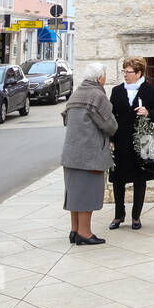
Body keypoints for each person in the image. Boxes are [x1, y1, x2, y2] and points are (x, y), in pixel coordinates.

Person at [62, 62, 118, 245]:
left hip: (71, 153)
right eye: (105, 74)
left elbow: (66, 119)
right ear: (100, 77)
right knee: (87, 194)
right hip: (90, 154)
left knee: (75, 194)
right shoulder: (97, 95)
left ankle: (74, 230)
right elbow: (110, 125)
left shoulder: (76, 93)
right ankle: (85, 233)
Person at [108, 57, 154, 230]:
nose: (125, 74)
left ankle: (136, 217)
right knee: (118, 179)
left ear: (138, 73)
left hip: (143, 140)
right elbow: (111, 116)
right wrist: (111, 139)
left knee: (140, 178)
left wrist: (148, 112)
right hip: (121, 139)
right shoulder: (117, 91)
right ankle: (119, 215)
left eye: (128, 71)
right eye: (124, 71)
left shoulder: (150, 90)